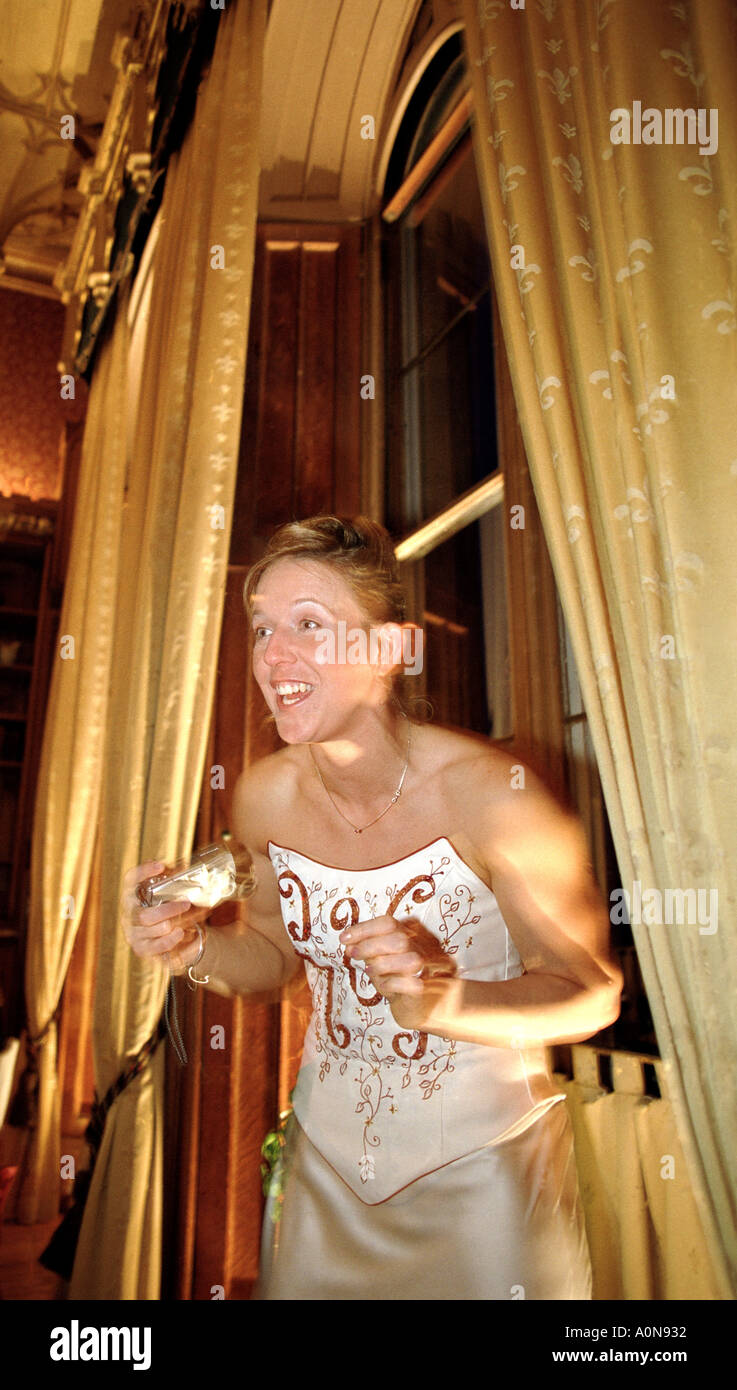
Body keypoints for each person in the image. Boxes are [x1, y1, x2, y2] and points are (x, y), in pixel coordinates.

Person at [122, 514, 622, 1300]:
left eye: (308, 625)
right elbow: (272, 959)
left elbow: (590, 993)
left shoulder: (495, 796)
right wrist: (189, 947)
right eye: (260, 629)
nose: (272, 656)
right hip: (322, 1169)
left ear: (388, 649)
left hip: (484, 1177)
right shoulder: (264, 798)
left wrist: (447, 1000)